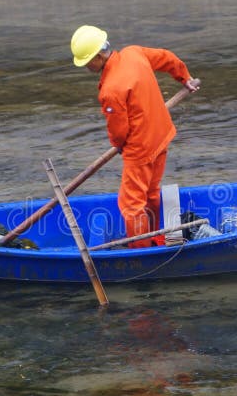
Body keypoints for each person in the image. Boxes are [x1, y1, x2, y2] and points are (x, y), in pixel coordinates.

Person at [70, 25, 199, 248]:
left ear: (98, 57)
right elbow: (167, 58)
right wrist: (184, 77)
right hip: (161, 136)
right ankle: (152, 237)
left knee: (131, 204)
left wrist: (118, 145)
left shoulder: (110, 89)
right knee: (150, 193)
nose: (86, 67)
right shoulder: (134, 53)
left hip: (139, 149)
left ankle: (140, 249)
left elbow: (119, 130)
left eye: (87, 62)